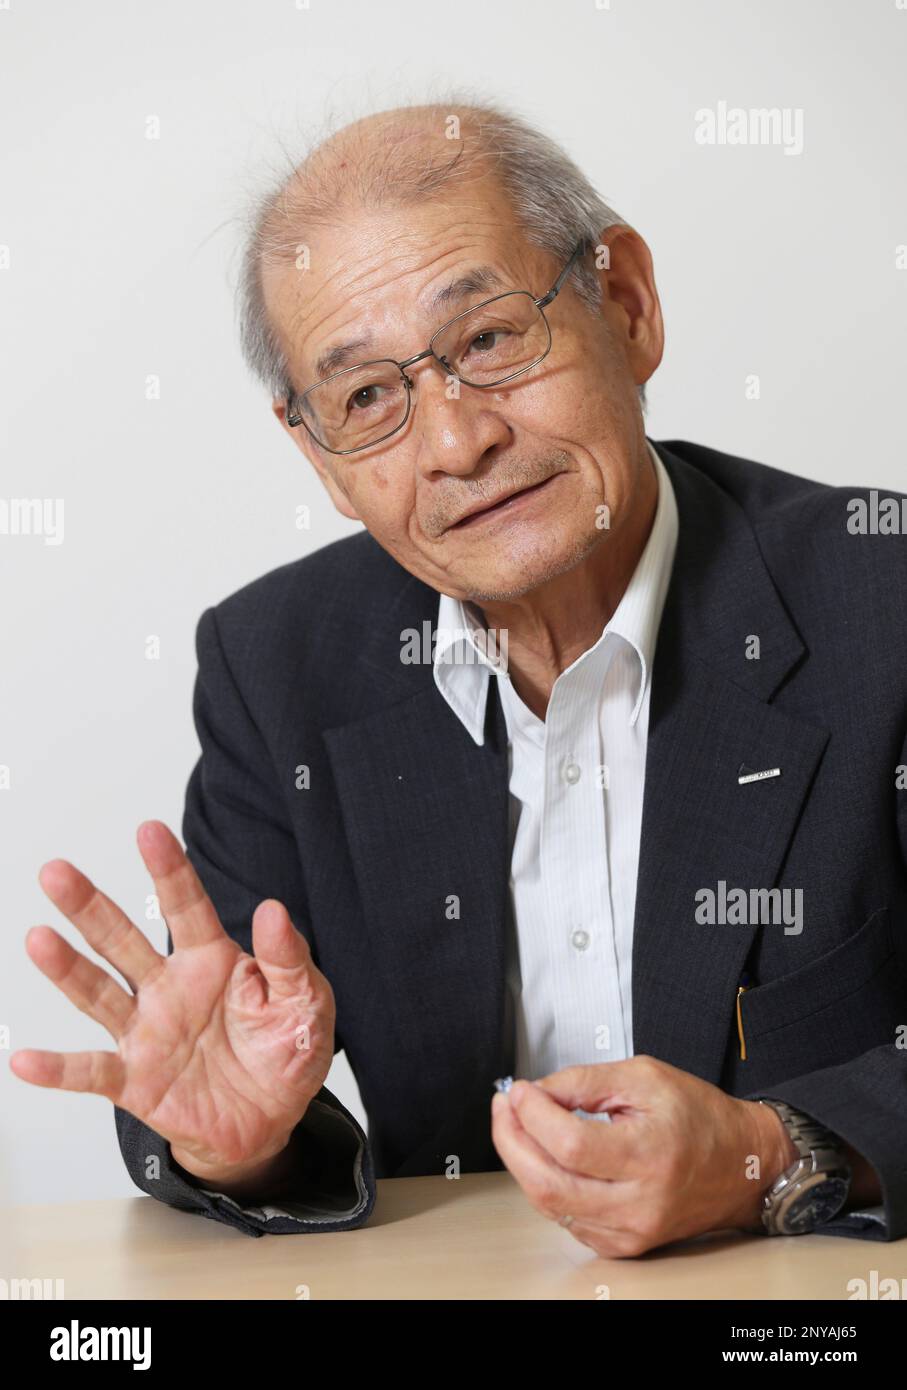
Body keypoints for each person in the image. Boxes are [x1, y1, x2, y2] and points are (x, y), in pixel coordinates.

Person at [12, 97, 907, 1256]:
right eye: (369, 397)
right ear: (318, 456)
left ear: (625, 305)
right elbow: (216, 1053)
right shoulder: (277, 668)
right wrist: (235, 1141)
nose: (454, 443)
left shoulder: (879, 603)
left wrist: (770, 1153)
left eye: (488, 339)